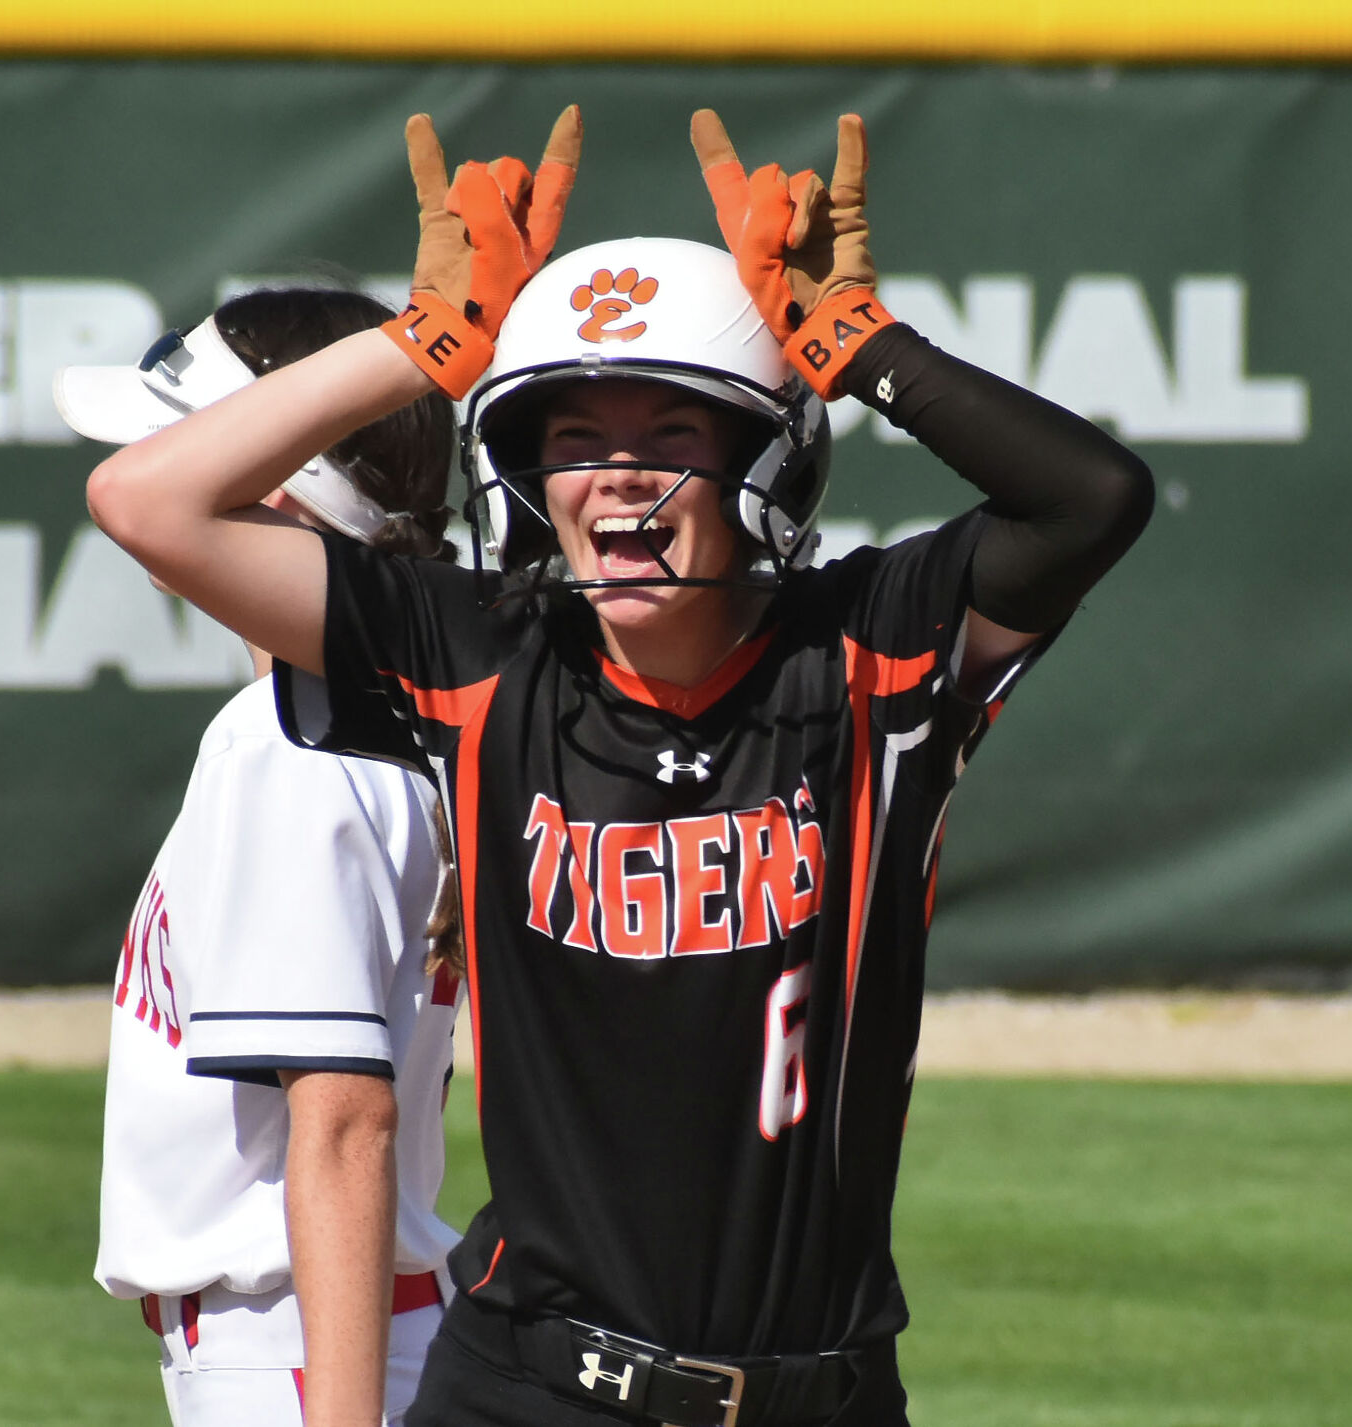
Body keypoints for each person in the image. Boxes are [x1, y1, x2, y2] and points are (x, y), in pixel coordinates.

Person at [84, 106, 1153, 1427]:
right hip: (534, 1388)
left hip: (821, 1393)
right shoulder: (484, 657)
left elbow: (1092, 498)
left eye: (672, 436)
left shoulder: (867, 653)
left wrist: (862, 346)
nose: (617, 478)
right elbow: (145, 501)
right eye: (574, 439)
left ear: (765, 460)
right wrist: (425, 342)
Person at [68, 285, 465, 1427]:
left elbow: (342, 1122)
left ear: (271, 480)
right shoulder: (407, 710)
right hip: (350, 1331)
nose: (146, 465)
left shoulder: (289, 741)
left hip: (303, 1352)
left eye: (183, 440)